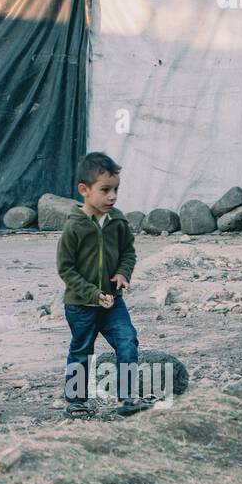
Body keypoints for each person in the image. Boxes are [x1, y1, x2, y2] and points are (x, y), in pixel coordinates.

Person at [55, 152, 149, 418]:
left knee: (127, 340)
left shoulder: (117, 222)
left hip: (113, 302)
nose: (113, 196)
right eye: (105, 190)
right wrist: (93, 294)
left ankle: (128, 398)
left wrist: (122, 273)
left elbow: (128, 253)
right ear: (84, 190)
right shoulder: (74, 227)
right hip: (81, 305)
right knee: (82, 350)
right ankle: (76, 401)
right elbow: (66, 269)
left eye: (116, 189)